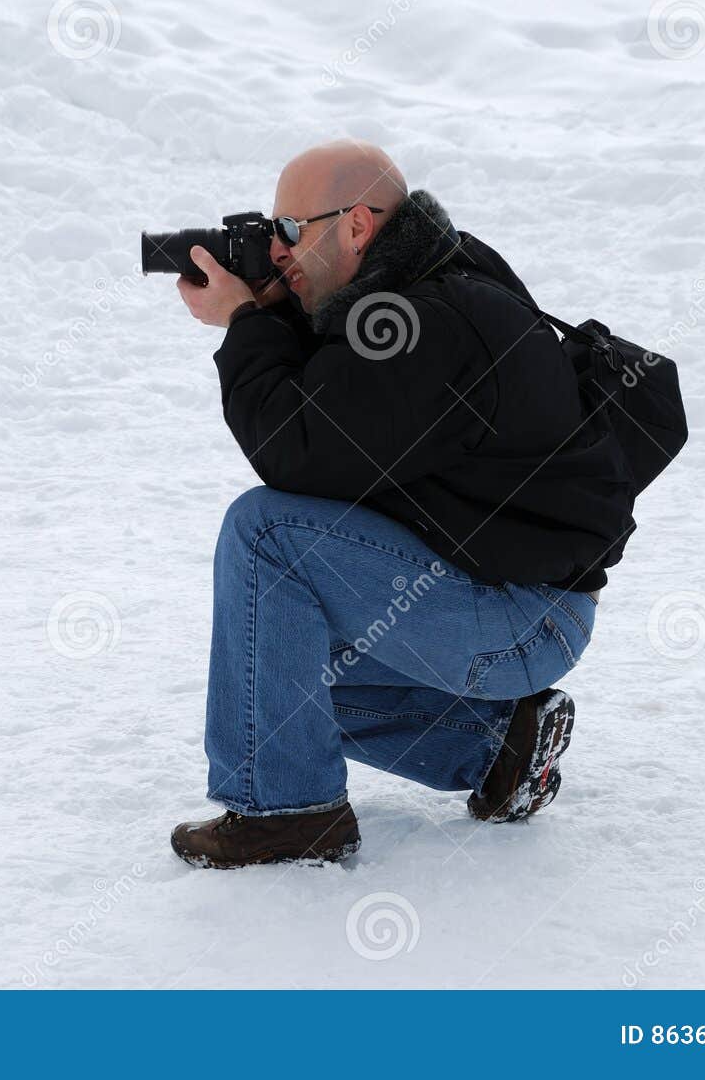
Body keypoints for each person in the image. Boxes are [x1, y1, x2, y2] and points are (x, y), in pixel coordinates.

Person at [171, 140, 633, 869]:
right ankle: (494, 746)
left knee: (263, 534)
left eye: (291, 230)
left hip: (522, 613)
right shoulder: (425, 280)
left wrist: (246, 326)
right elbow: (349, 407)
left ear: (356, 225)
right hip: (527, 598)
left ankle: (287, 813)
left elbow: (297, 450)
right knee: (269, 670)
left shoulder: (424, 322)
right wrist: (272, 312)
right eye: (271, 229)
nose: (276, 249)